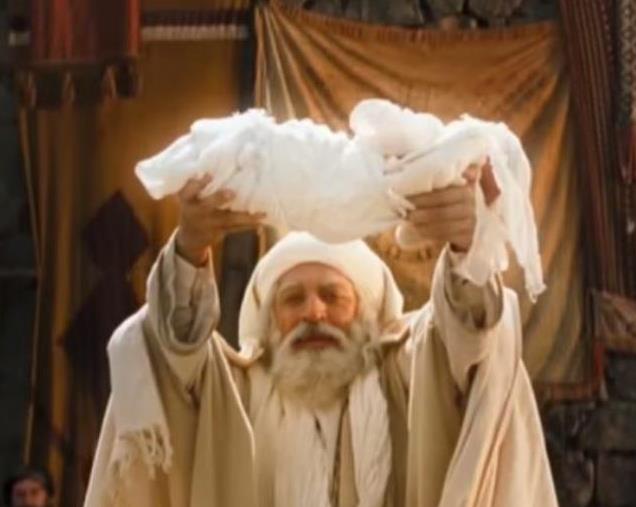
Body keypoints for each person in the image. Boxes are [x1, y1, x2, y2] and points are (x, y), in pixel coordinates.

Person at [84, 163, 558, 506]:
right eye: (293, 299)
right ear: (270, 320)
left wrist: (466, 248)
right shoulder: (238, 394)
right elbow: (171, 351)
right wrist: (190, 247)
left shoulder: (406, 375)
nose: (314, 312)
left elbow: (469, 332)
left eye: (333, 296)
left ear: (367, 311)